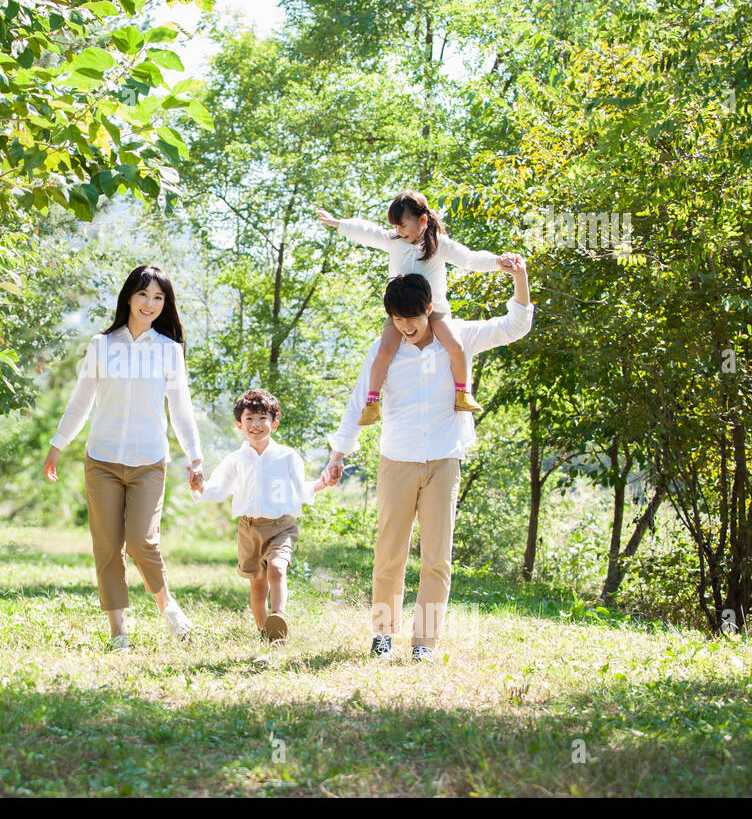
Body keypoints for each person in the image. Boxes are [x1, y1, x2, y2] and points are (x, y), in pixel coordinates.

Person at [321, 259, 535, 663]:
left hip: (443, 460)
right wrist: (338, 455)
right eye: (397, 319)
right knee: (389, 554)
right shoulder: (384, 351)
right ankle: (382, 636)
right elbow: (356, 404)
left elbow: (515, 326)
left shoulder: (459, 338)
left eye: (412, 318)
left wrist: (520, 278)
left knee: (437, 558)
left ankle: (425, 645)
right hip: (397, 460)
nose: (406, 327)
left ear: (430, 308)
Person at [44, 264, 204, 652]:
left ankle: (168, 609)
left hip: (150, 459)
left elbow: (181, 409)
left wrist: (195, 458)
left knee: (141, 542)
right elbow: (81, 398)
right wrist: (58, 443)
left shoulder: (169, 350)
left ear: (165, 304)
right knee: (107, 546)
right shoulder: (103, 345)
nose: (150, 304)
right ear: (129, 297)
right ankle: (119, 633)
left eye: (158, 297)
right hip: (102, 458)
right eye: (143, 295)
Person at [315, 191, 523, 425]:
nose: (399, 232)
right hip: (402, 310)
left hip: (434, 309)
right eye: (395, 227)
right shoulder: (394, 241)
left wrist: (496, 262)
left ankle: (463, 392)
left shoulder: (439, 244)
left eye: (402, 226)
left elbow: (469, 259)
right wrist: (338, 223)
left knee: (455, 345)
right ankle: (372, 403)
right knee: (384, 352)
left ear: (422, 220)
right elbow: (367, 232)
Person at [192, 389, 329, 644]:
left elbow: (301, 489)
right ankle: (266, 635)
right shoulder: (236, 459)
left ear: (274, 423)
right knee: (257, 586)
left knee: (277, 569)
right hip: (250, 528)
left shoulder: (287, 456)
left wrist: (322, 483)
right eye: (249, 419)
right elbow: (217, 489)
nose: (256, 424)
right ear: (239, 425)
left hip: (281, 526)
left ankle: (278, 617)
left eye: (262, 418)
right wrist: (198, 485)